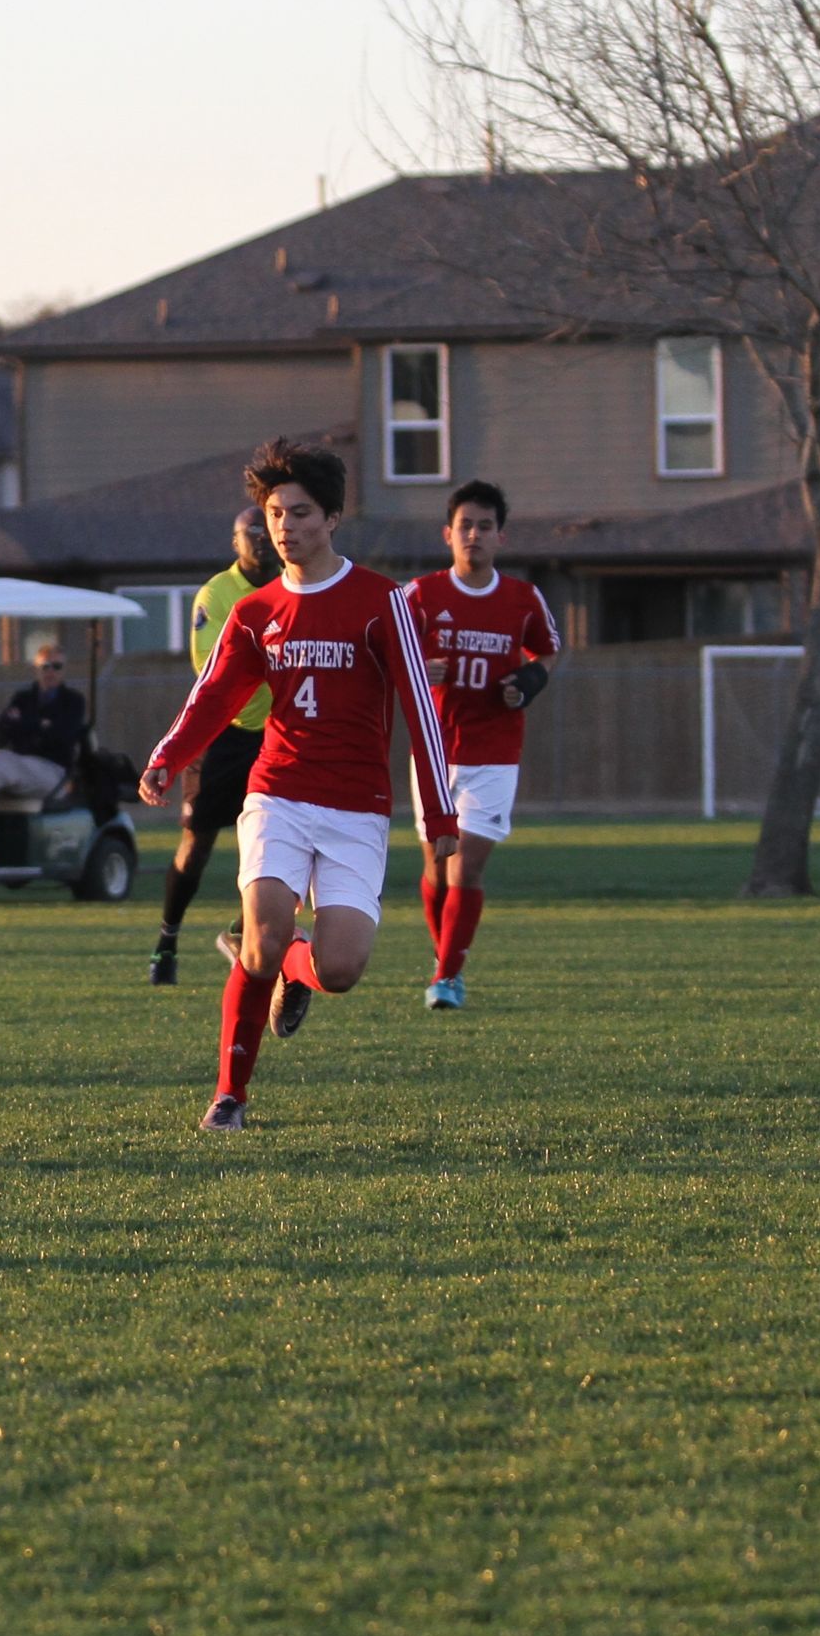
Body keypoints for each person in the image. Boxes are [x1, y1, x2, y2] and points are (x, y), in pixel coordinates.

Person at [141, 438, 458, 1131]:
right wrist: (168, 756)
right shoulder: (255, 611)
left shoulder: (382, 602)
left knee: (340, 968)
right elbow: (214, 693)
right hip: (277, 793)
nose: (284, 527)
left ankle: (293, 968)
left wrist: (439, 814)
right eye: (275, 514)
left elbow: (419, 708)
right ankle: (229, 1095)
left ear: (334, 518)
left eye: (300, 512)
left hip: (356, 807)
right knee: (262, 939)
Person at [403, 480, 564, 1010]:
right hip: (433, 751)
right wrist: (419, 669)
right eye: (465, 525)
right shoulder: (418, 597)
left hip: (494, 754)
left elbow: (546, 654)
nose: (474, 534)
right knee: (434, 866)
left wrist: (527, 685)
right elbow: (380, 655)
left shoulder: (522, 598)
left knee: (464, 866)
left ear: (501, 536)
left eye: (485, 526)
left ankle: (447, 977)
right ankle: (444, 954)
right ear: (447, 534)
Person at [151, 507, 279, 985]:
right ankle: (167, 940)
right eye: (252, 533)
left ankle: (240, 931)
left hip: (276, 737)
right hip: (223, 735)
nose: (262, 540)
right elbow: (212, 668)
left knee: (275, 845)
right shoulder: (217, 594)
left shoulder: (290, 585)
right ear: (234, 543)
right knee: (196, 843)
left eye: (268, 531)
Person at [0, 643, 86, 818]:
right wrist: (41, 725)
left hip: (53, 772)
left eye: (56, 666)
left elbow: (62, 737)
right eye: (45, 666)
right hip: (20, 765)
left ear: (63, 670)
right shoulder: (23, 698)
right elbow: (4, 728)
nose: (51, 672)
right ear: (36, 669)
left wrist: (25, 723)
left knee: (5, 764)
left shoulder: (73, 701)